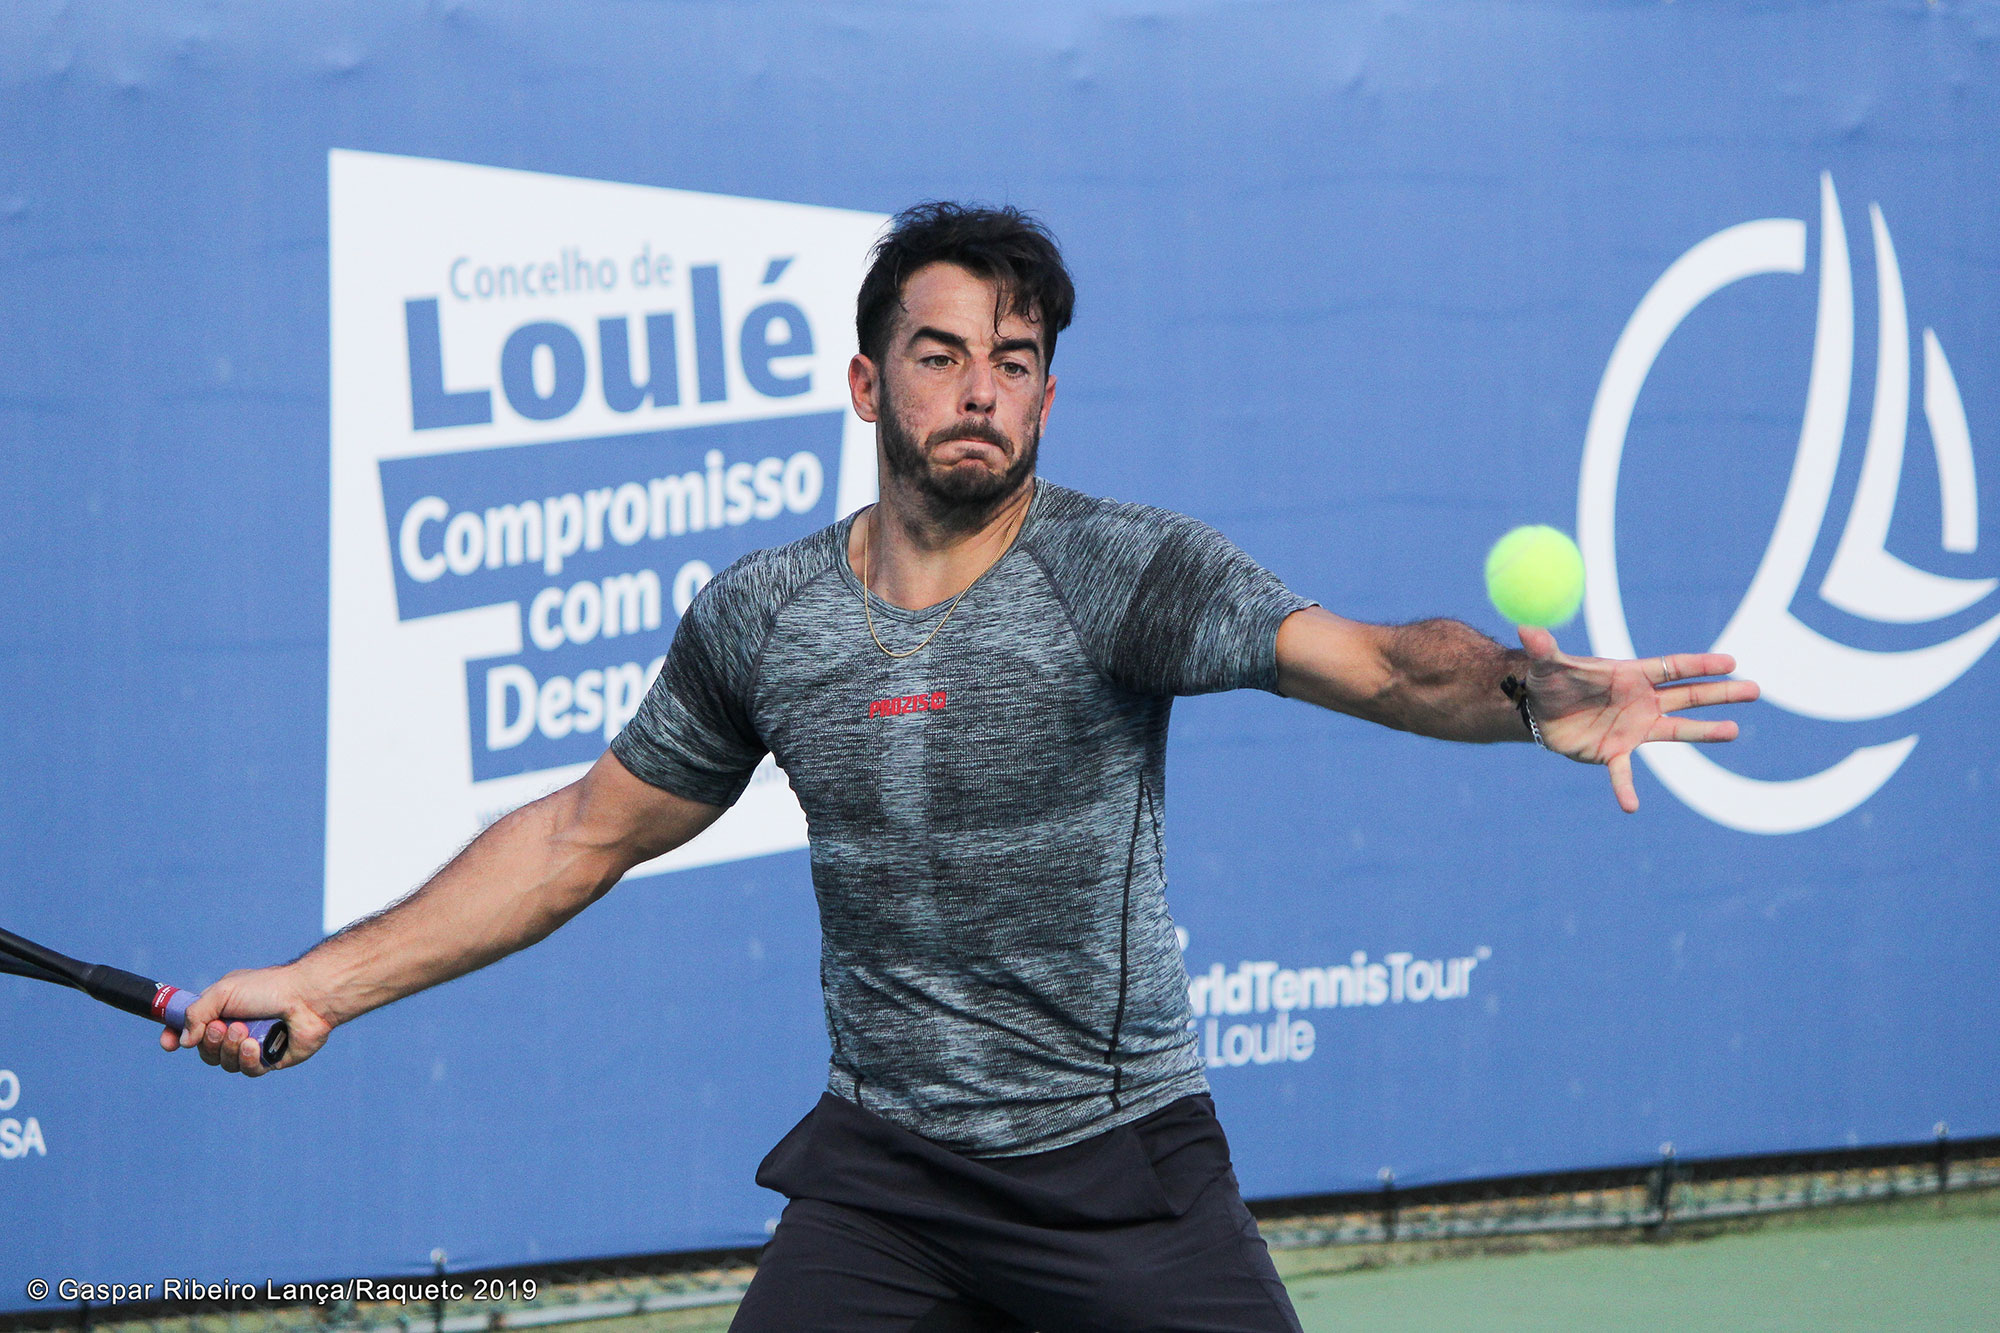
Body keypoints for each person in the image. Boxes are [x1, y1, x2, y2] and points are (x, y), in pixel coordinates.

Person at [170, 202, 1757, 1331]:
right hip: (888, 1177)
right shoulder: (764, 616)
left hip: (1120, 1171)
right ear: (870, 384)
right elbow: (583, 833)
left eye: (1014, 356)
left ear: (1048, 392)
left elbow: (1380, 660)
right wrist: (324, 982)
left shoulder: (1126, 570)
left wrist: (1530, 695)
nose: (980, 384)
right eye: (939, 354)